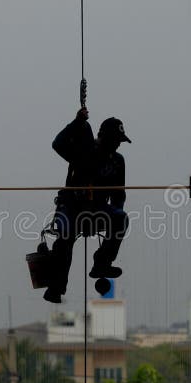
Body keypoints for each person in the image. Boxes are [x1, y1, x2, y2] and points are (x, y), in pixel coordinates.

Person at [43, 107, 131, 303]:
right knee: (64, 242)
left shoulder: (117, 162)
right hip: (72, 208)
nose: (118, 145)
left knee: (120, 219)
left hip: (97, 210)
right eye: (116, 140)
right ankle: (55, 287)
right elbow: (58, 144)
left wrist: (115, 216)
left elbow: (119, 195)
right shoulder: (84, 151)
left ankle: (102, 263)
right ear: (105, 137)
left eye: (120, 141)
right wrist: (77, 123)